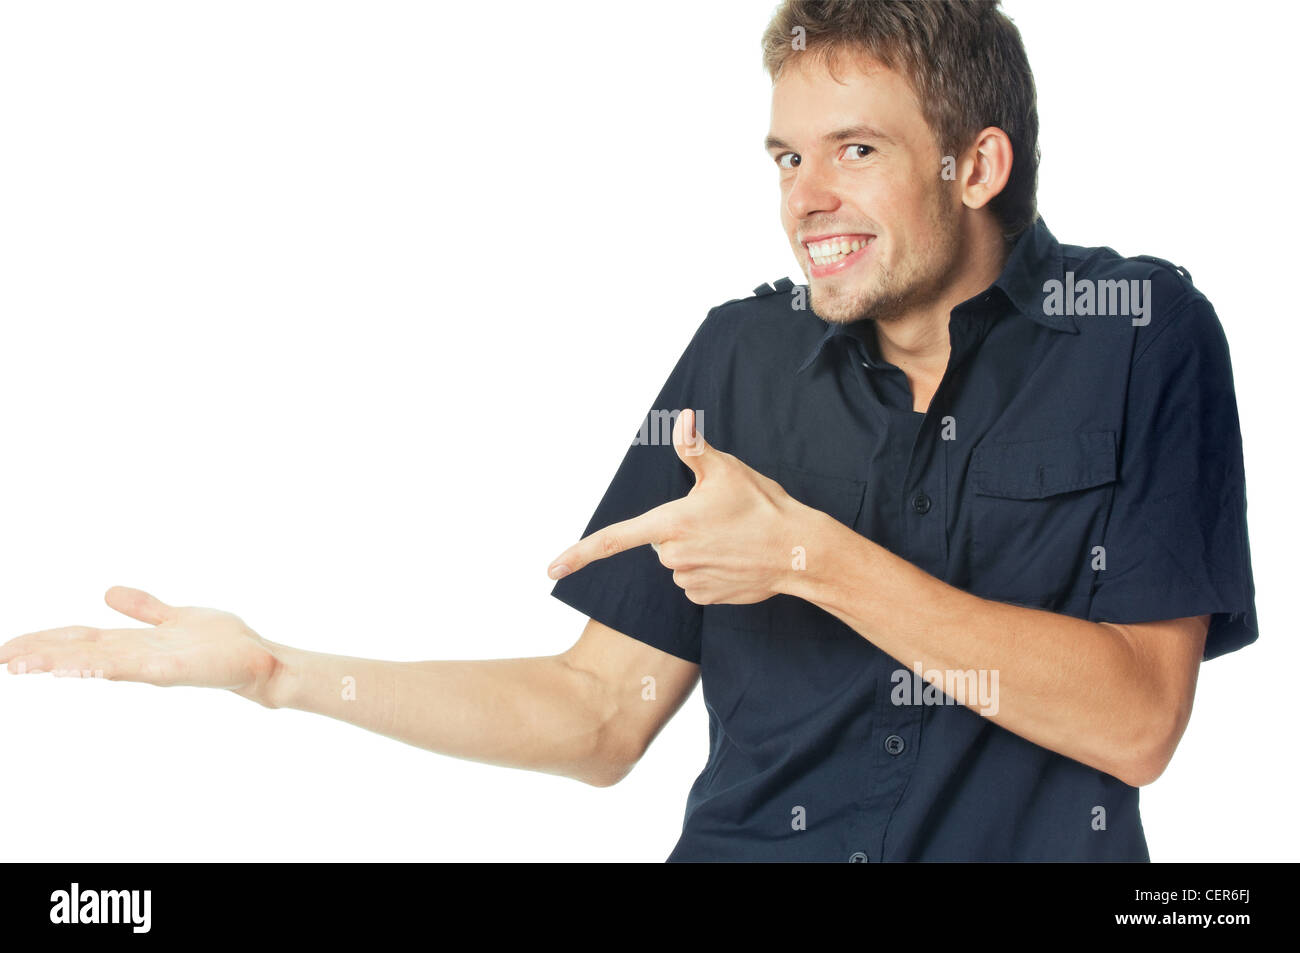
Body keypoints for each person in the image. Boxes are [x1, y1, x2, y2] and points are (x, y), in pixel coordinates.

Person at [1, 0, 1256, 861]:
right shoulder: (738, 352)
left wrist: (812, 558)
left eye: (855, 150)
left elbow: (1135, 720)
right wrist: (275, 673)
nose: (804, 199)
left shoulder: (1140, 330)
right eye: (781, 158)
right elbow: (598, 714)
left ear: (975, 166)